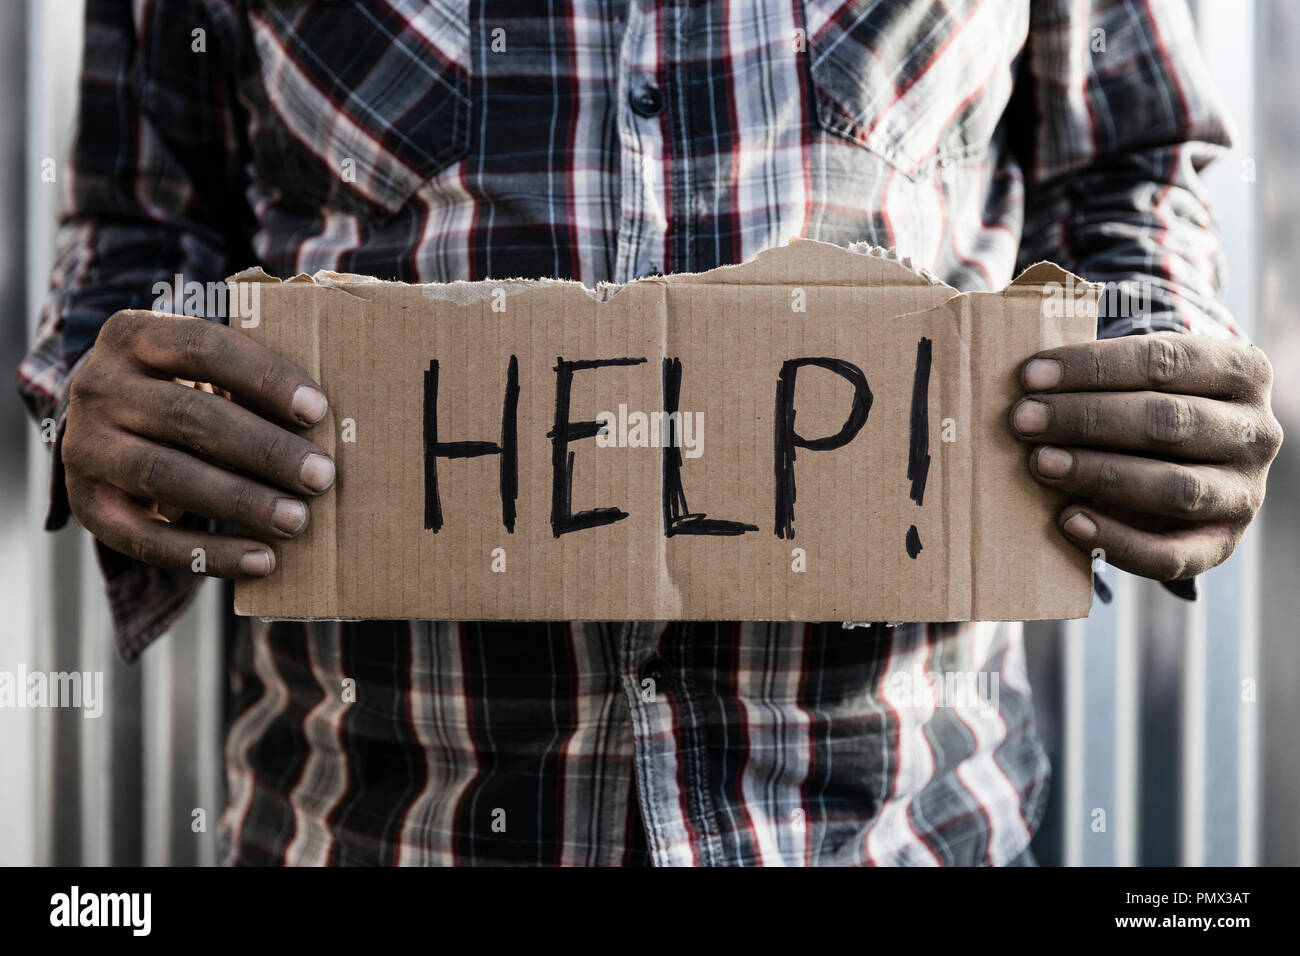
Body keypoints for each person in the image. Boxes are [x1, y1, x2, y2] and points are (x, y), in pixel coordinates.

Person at [18, 0, 1280, 866]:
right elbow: (140, 216)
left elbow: (1126, 168)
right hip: (373, 816)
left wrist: (1150, 354)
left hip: (896, 820)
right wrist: (113, 389)